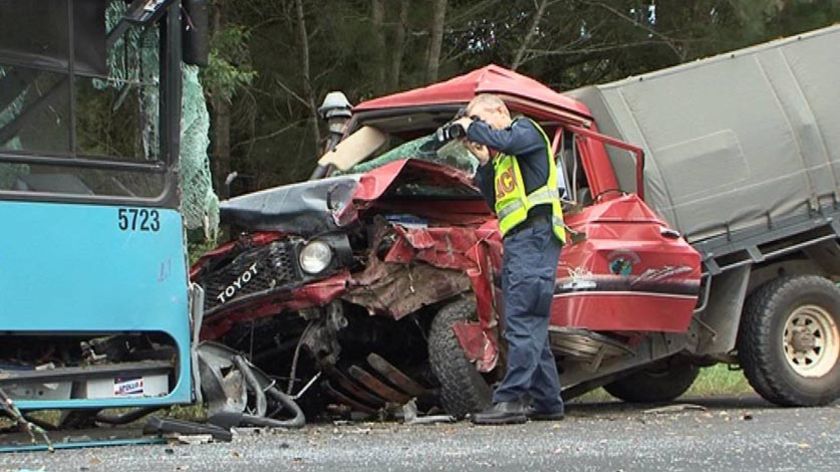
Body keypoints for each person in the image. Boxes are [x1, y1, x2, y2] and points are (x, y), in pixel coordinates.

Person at [452, 94, 566, 425]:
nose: (478, 127)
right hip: (520, 240)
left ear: (500, 110)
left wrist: (469, 127)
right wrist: (484, 162)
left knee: (522, 319)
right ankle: (548, 401)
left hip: (535, 235)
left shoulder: (525, 131)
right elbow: (493, 201)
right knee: (530, 323)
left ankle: (511, 399)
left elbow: (506, 140)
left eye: (480, 119)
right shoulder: (503, 157)